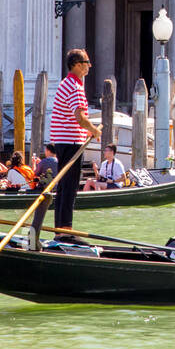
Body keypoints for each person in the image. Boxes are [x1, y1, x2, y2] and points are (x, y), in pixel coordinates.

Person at [33, 48, 101, 241]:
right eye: (87, 62)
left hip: (64, 140)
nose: (90, 66)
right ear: (78, 65)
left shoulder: (66, 83)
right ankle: (65, 231)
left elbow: (71, 118)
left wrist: (86, 130)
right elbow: (79, 117)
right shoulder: (75, 86)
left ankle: (60, 229)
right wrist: (94, 130)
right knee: (69, 187)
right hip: (71, 143)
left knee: (64, 186)